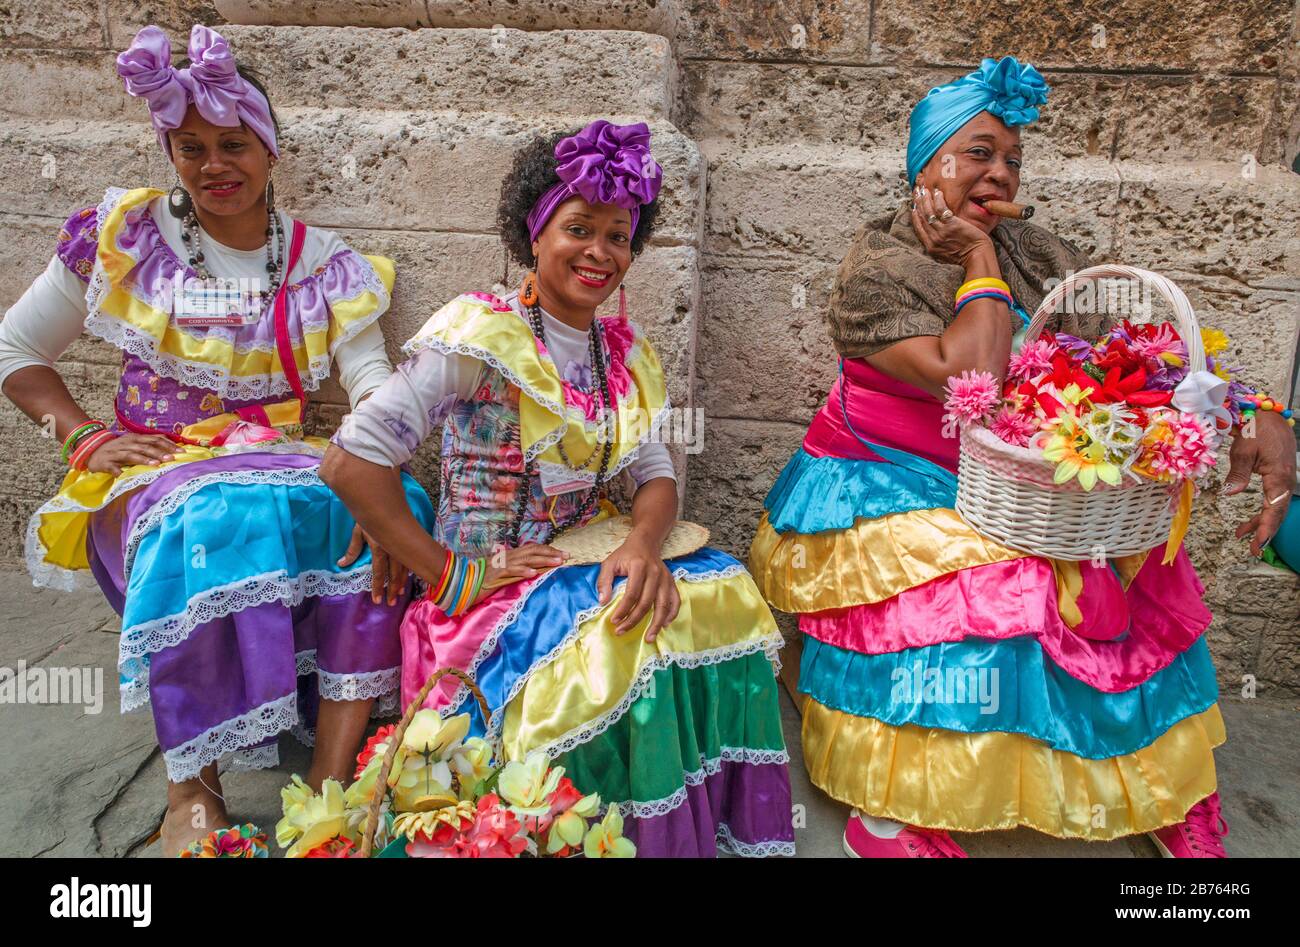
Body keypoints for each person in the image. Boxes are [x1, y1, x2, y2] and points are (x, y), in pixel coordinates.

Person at [748, 56, 1297, 857]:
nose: (1000, 172)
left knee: (1145, 567)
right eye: (978, 153)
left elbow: (1143, 350)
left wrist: (1251, 405)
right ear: (926, 167)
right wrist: (976, 260)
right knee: (999, 591)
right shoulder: (875, 270)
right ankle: (903, 800)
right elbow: (972, 379)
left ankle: (1155, 781)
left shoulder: (1040, 250)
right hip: (887, 477)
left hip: (1013, 478)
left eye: (1012, 158)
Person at [0, 25, 434, 856]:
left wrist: (377, 466)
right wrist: (86, 436)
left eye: (234, 143)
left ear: (272, 151)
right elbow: (17, 352)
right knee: (207, 521)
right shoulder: (124, 237)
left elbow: (372, 384)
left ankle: (331, 784)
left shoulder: (322, 262)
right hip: (163, 473)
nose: (213, 165)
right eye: (189, 146)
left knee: (398, 503)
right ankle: (190, 785)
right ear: (168, 149)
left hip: (283, 455)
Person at [321, 120, 795, 857]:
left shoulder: (625, 356)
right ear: (533, 233)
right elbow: (350, 462)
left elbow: (657, 475)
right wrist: (449, 572)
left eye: (617, 235)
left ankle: (669, 833)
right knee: (620, 631)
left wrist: (643, 545)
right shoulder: (480, 338)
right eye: (579, 228)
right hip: (491, 594)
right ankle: (586, 827)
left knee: (721, 591)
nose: (599, 252)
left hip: (583, 557)